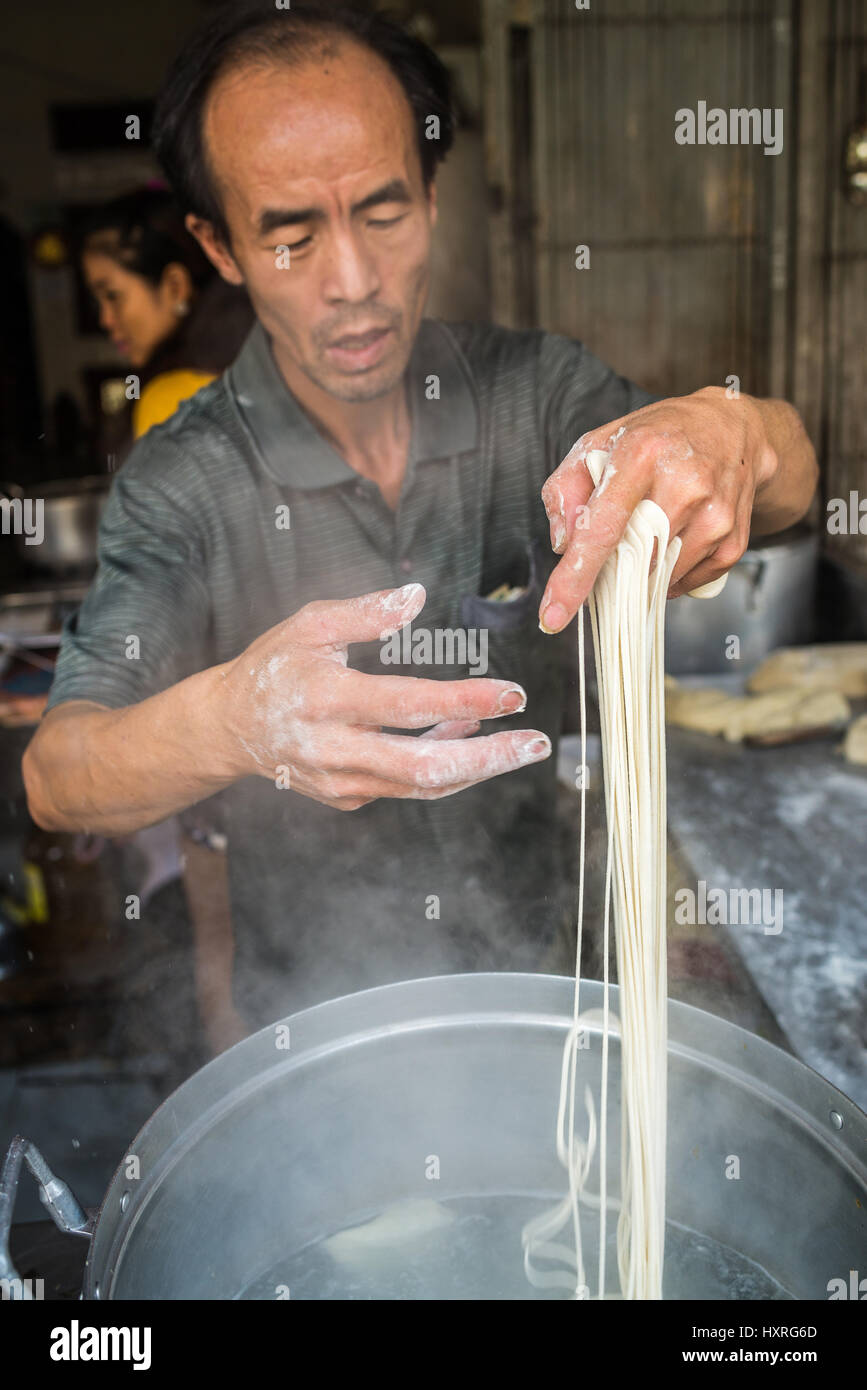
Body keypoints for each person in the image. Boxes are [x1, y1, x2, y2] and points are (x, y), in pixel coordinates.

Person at [22, 1, 817, 1036]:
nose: (353, 283)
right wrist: (239, 719)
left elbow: (791, 480)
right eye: (292, 235)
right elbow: (60, 772)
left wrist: (732, 431)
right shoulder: (184, 483)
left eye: (384, 213)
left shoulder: (535, 397)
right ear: (218, 246)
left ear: (433, 195)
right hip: (316, 1024)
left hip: (560, 991)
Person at [80, 185, 253, 440]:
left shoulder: (172, 398)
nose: (105, 319)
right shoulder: (253, 363)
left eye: (113, 296)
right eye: (99, 302)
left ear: (175, 286)